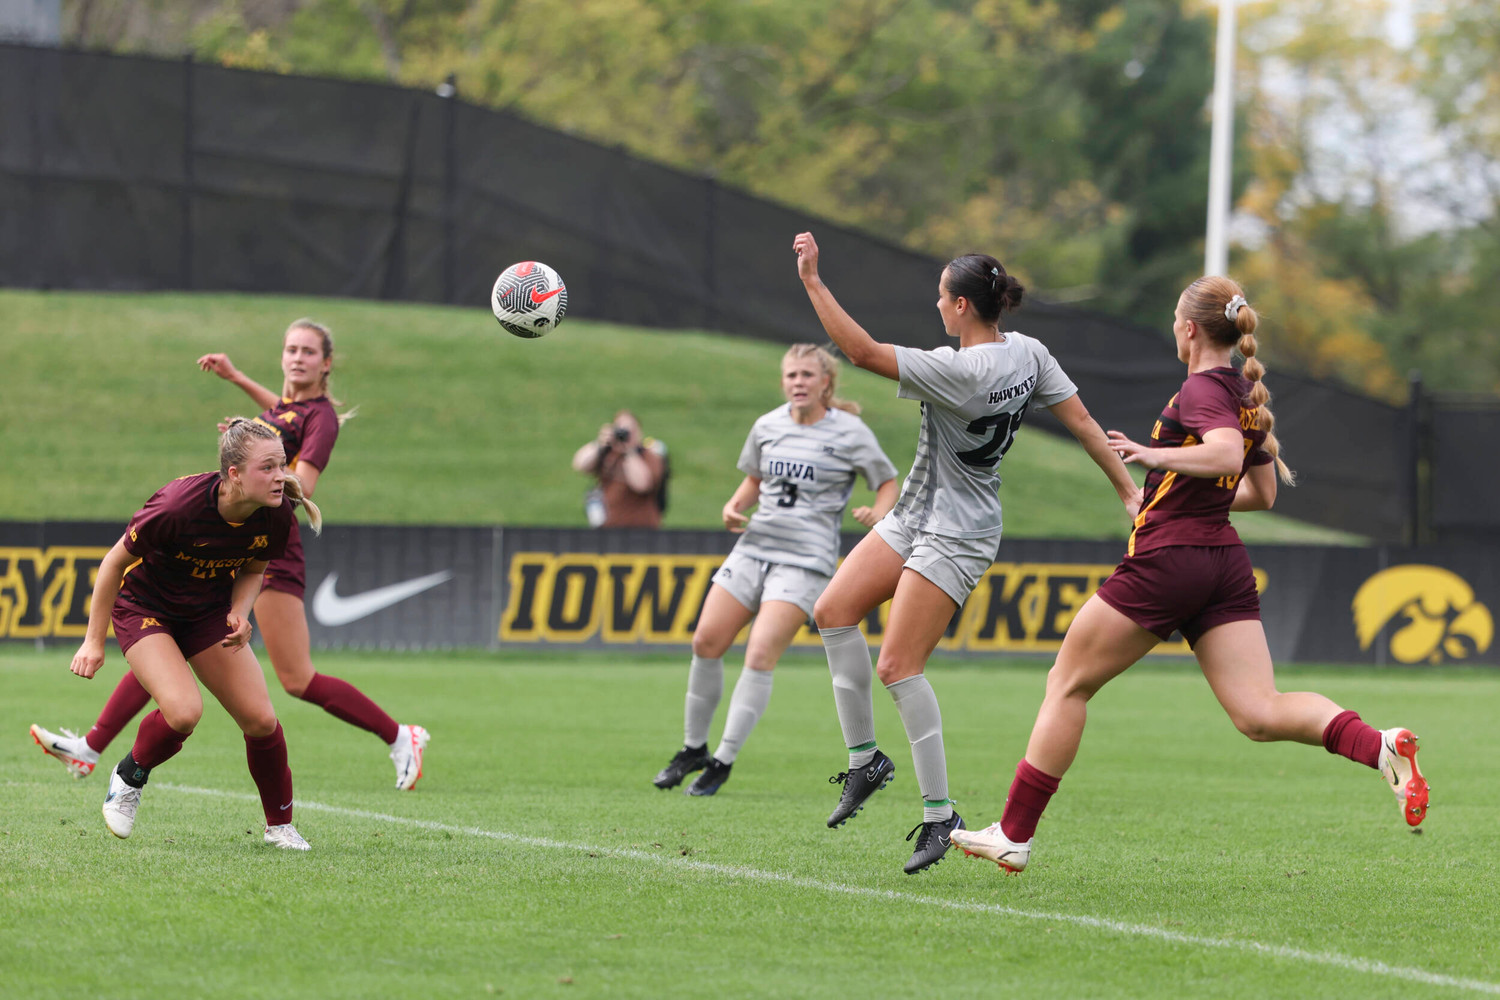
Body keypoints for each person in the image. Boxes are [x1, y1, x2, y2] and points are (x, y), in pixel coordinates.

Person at [950, 277, 1428, 875]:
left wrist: (1156, 457)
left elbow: (1227, 457)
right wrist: (1181, 496)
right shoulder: (1244, 389)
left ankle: (1014, 834)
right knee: (1259, 711)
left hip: (1167, 561)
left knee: (1067, 684)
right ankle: (1378, 745)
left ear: (1190, 329)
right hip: (1221, 562)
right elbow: (1262, 493)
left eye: (1176, 321)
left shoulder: (1203, 386)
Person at [792, 231, 1141, 874]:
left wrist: (813, 279)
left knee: (898, 665)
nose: (936, 306)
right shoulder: (1028, 354)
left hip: (958, 530)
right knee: (833, 609)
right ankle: (866, 759)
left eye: (940, 297)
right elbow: (1087, 426)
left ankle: (939, 814)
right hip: (916, 514)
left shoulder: (954, 369)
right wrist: (1128, 494)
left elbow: (860, 351)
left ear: (960, 307)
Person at [30, 319, 430, 791]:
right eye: (290, 349)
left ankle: (400, 736)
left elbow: (305, 486)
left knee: (297, 678)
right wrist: (237, 382)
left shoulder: (318, 417)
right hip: (235, 544)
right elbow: (277, 420)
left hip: (268, 551)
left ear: (326, 364)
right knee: (169, 639)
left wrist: (267, 465)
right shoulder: (287, 409)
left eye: (307, 351)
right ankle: (92, 748)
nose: (296, 358)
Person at [652, 344, 899, 796]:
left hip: (805, 561)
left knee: (759, 655)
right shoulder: (768, 425)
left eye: (807, 374)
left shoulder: (849, 431)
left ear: (826, 383)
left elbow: (886, 480)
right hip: (754, 547)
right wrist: (734, 503)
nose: (798, 382)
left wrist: (880, 513)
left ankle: (722, 761)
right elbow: (755, 477)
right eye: (791, 375)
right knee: (705, 641)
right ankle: (692, 749)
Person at [64, 419, 317, 848]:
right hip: (146, 610)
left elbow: (255, 569)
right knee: (183, 712)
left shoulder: (276, 515)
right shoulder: (177, 507)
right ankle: (130, 775)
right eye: (268, 468)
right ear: (234, 474)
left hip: (206, 615)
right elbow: (111, 564)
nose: (281, 477)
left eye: (281, 466)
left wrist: (239, 612)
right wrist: (93, 640)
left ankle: (280, 826)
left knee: (260, 720)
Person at [571, 410, 667, 528]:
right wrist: (599, 443)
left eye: (629, 431)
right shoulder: (607, 454)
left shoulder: (649, 457)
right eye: (619, 429)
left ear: (639, 433)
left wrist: (628, 452)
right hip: (609, 531)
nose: (624, 435)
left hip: (642, 531)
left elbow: (642, 485)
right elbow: (580, 465)